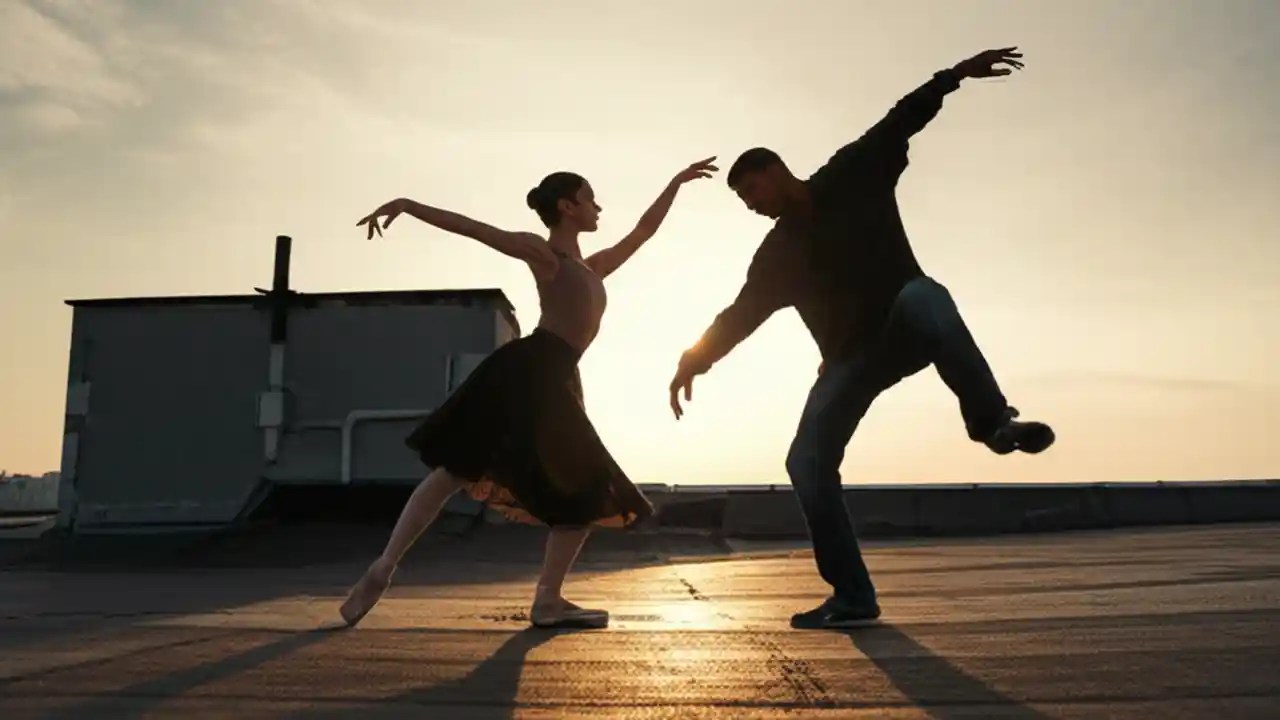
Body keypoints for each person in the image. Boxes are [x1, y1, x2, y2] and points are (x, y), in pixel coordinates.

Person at [668, 47, 1054, 629]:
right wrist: (690, 361)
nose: (752, 207)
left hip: (904, 327)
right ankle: (852, 596)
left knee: (927, 295)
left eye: (753, 194)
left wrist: (954, 75)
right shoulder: (777, 255)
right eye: (745, 203)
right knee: (805, 463)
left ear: (774, 172)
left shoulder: (852, 172)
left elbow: (900, 119)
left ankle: (994, 424)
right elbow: (739, 315)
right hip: (849, 360)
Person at [341, 156, 718, 629]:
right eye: (589, 199)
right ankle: (387, 569)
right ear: (567, 206)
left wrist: (676, 183)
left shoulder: (592, 266)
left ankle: (544, 599)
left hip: (553, 377)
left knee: (543, 483)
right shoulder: (547, 256)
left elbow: (643, 231)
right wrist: (406, 204)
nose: (598, 207)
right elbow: (474, 228)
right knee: (470, 471)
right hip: (530, 372)